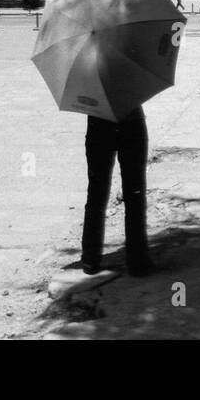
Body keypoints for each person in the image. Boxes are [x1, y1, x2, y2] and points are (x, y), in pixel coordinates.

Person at [80, 107, 153, 276]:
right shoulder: (132, 78)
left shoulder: (90, 80)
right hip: (131, 121)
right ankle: (137, 261)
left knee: (96, 193)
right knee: (134, 194)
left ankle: (90, 259)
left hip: (98, 123)